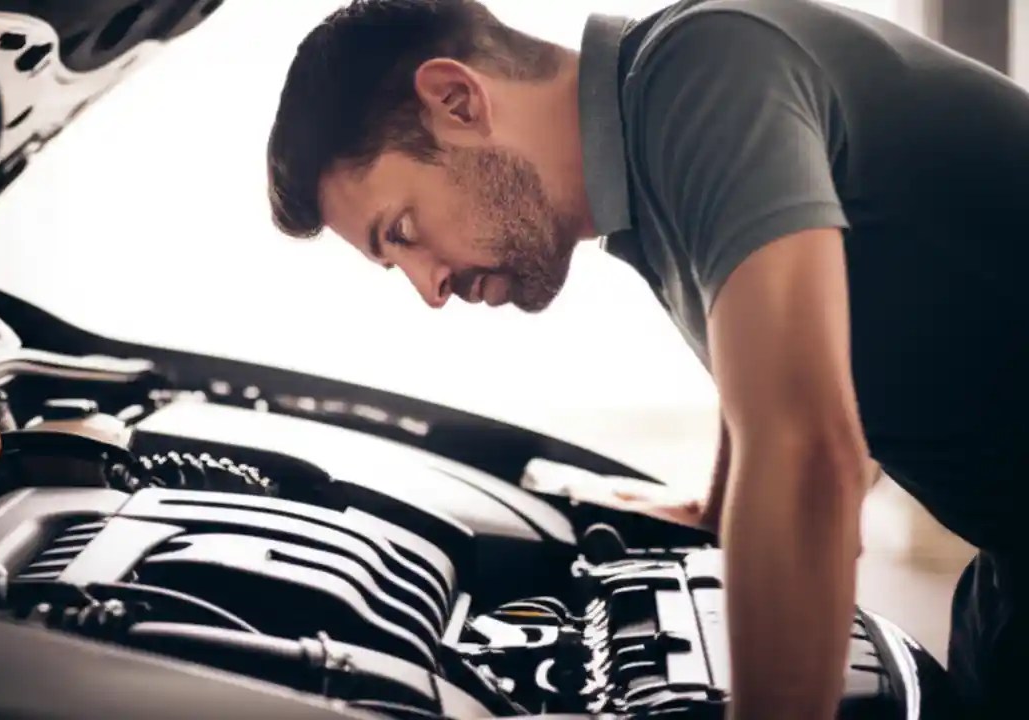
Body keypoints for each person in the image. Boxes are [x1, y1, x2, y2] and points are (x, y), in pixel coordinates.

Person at [265, 0, 1029, 717]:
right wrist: (717, 509)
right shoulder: (659, 136)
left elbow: (808, 459)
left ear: (458, 101)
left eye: (400, 231)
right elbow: (794, 360)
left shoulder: (708, 78)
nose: (428, 287)